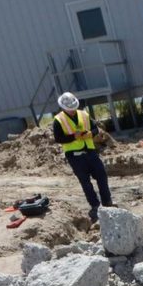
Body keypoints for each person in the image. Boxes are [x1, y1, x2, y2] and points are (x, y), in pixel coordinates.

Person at [53, 92, 114, 222]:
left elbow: (95, 129)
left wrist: (90, 134)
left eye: (73, 108)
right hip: (75, 156)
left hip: (90, 152)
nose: (72, 111)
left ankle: (107, 202)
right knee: (85, 182)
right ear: (63, 108)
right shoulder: (58, 120)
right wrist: (73, 137)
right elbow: (58, 138)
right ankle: (95, 207)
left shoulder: (84, 115)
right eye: (69, 109)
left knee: (102, 176)